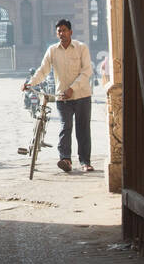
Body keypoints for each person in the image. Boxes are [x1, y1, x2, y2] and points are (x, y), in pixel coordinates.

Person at [21, 19, 94, 173]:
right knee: (65, 127)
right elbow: (43, 70)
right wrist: (30, 83)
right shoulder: (52, 50)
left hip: (82, 96)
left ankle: (85, 162)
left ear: (71, 32)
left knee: (83, 130)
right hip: (62, 97)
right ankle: (65, 159)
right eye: (59, 31)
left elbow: (87, 71)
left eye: (64, 30)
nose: (62, 34)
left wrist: (72, 88)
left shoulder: (81, 48)